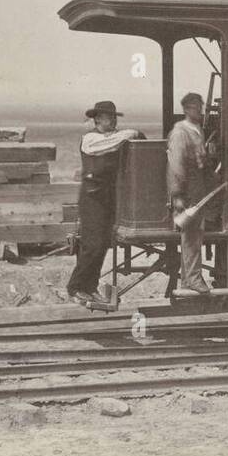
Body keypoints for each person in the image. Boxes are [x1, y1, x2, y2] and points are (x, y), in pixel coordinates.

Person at [67, 101, 146, 305]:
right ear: (97, 119)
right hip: (92, 198)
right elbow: (111, 143)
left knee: (102, 245)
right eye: (108, 117)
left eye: (114, 117)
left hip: (108, 198)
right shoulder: (90, 139)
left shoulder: (113, 138)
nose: (113, 120)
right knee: (92, 245)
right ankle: (75, 287)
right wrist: (132, 132)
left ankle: (90, 288)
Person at [168, 92, 213, 294]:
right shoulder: (180, 132)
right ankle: (194, 279)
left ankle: (188, 279)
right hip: (188, 188)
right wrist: (177, 195)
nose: (200, 111)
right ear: (186, 109)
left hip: (197, 184)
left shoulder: (197, 130)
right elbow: (176, 165)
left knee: (195, 233)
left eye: (201, 107)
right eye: (196, 108)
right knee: (191, 235)